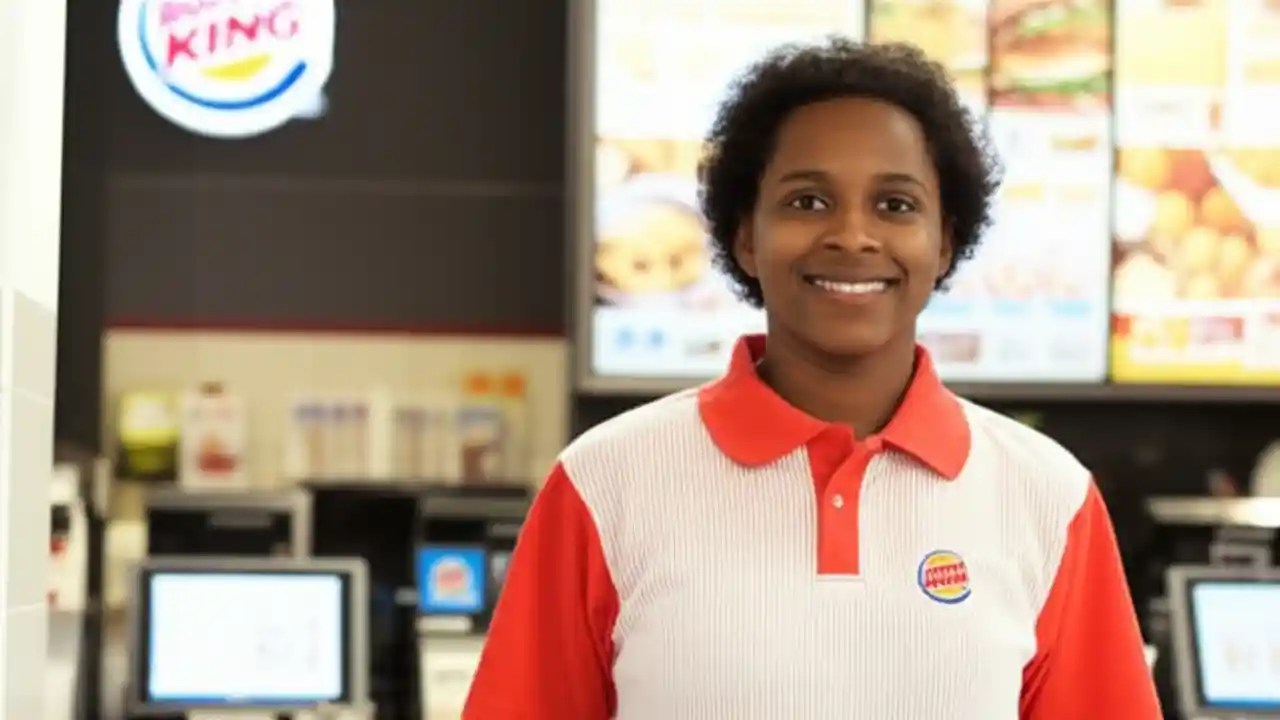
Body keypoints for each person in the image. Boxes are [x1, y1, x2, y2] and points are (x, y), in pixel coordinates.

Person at [463, 38, 1161, 720]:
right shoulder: (604, 482)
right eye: (807, 202)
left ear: (944, 242)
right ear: (745, 236)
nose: (852, 237)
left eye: (895, 205)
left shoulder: (1047, 496)